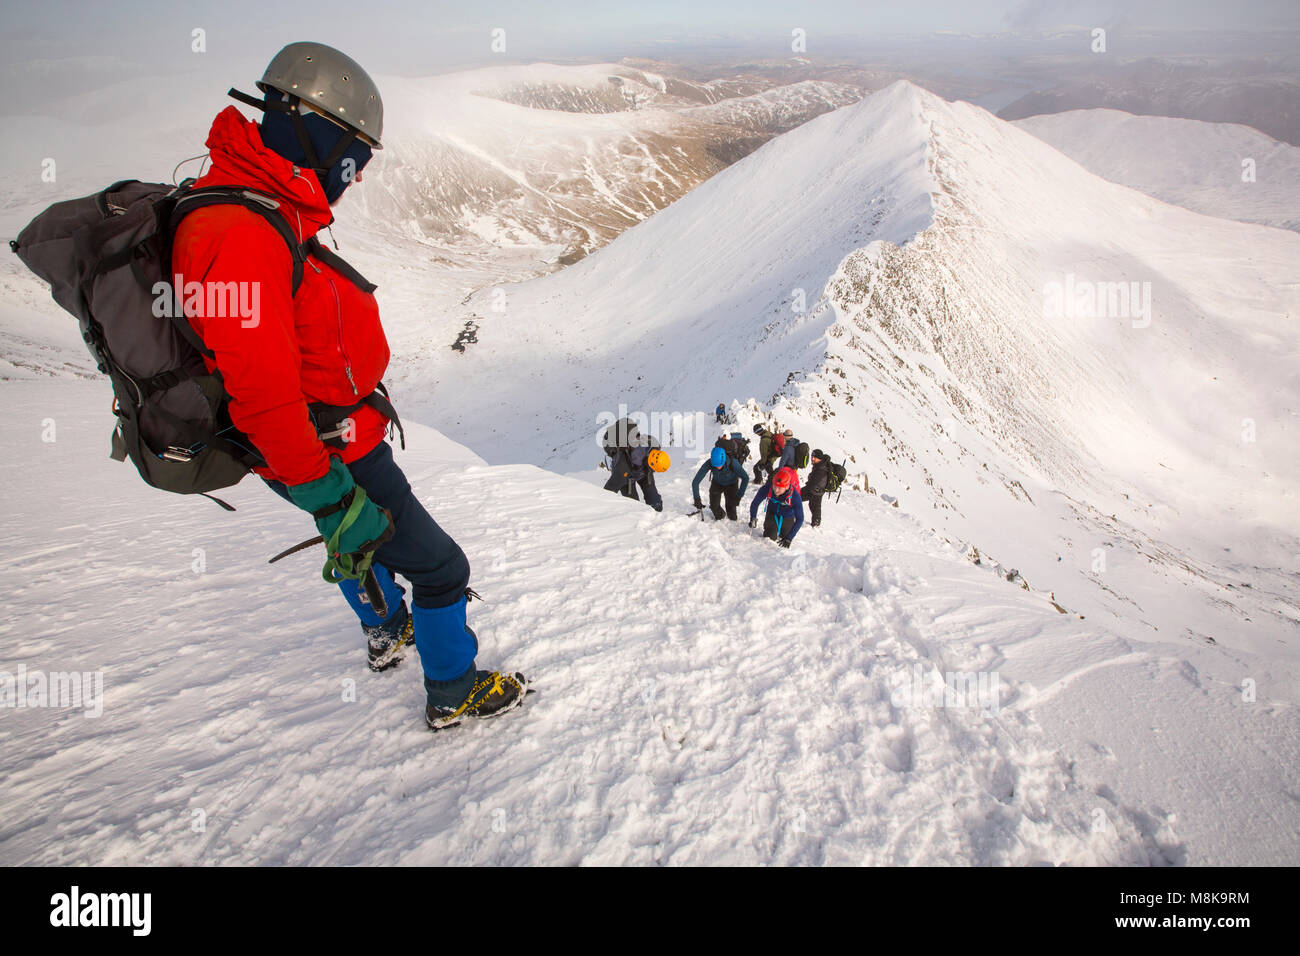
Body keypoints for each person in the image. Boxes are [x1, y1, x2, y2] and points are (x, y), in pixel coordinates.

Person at [170, 42, 526, 732]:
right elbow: (265, 397)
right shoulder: (239, 231)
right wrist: (333, 498)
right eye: (353, 157)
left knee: (359, 548)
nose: (354, 176)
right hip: (330, 453)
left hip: (321, 444)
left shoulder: (252, 209)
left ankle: (387, 628)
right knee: (442, 568)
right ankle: (453, 688)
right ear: (313, 126)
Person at [602, 418, 668, 511]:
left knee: (654, 499)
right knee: (634, 506)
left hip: (643, 469)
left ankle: (657, 513)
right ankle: (638, 522)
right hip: (628, 477)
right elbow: (606, 493)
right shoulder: (622, 470)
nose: (654, 471)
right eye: (654, 469)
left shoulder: (653, 447)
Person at [749, 467, 804, 548]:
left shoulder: (795, 497)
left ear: (786, 487)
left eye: (779, 488)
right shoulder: (768, 488)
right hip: (772, 512)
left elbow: (800, 519)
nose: (776, 490)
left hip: (788, 516)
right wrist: (753, 517)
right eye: (775, 486)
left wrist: (789, 538)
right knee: (769, 538)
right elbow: (755, 503)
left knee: (784, 538)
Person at [692, 446, 750, 521]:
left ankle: (732, 523)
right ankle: (721, 518)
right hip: (717, 483)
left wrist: (739, 496)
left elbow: (745, 478)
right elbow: (695, 482)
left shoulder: (733, 463)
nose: (718, 468)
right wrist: (697, 499)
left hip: (732, 484)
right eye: (716, 466)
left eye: (720, 465)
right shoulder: (709, 463)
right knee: (714, 506)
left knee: (731, 509)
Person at [803, 450, 830, 527]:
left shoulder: (821, 468)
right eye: (812, 457)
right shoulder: (820, 465)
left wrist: (805, 488)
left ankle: (816, 523)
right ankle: (816, 523)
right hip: (817, 490)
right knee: (815, 506)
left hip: (815, 490)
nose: (812, 459)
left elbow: (813, 482)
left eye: (815, 457)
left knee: (797, 498)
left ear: (820, 458)